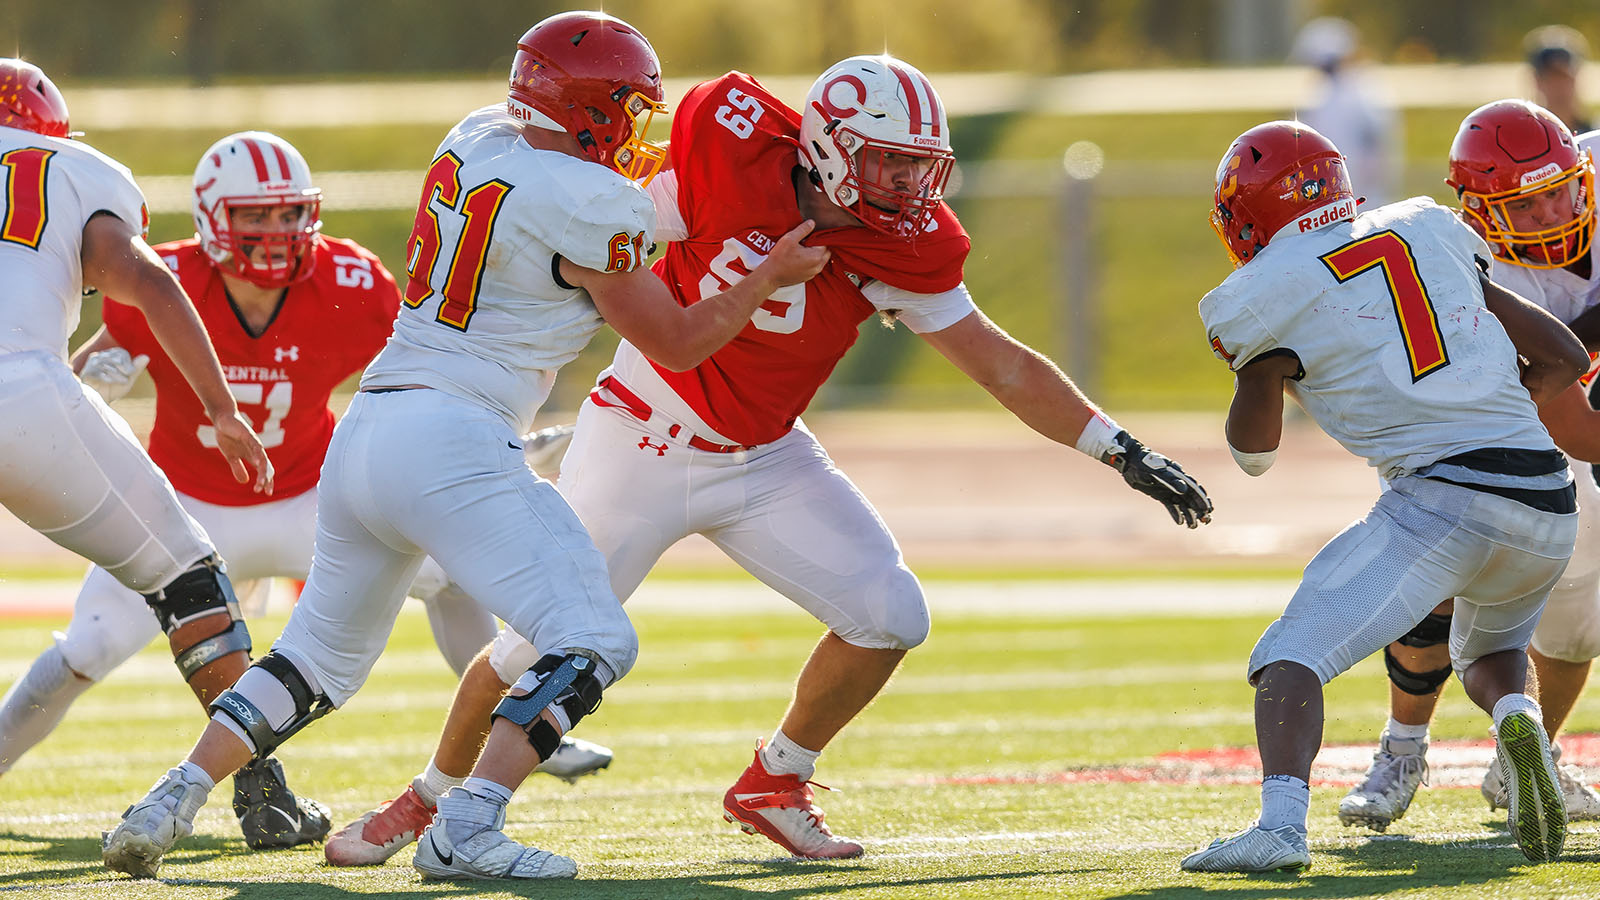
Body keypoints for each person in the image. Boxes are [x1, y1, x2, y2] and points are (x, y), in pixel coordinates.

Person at [328, 52, 1214, 867]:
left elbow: (1002, 362)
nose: (909, 184)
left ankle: (776, 778)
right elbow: (599, 238)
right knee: (536, 646)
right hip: (643, 432)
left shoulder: (903, 243)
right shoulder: (726, 155)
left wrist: (1116, 446)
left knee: (890, 612)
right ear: (827, 148)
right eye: (888, 162)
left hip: (763, 453)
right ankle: (429, 800)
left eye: (920, 165)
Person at [100, 11, 828, 882]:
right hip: (454, 434)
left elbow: (575, 220)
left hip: (370, 426)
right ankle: (468, 824)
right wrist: (767, 276)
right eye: (630, 108)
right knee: (594, 638)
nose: (640, 128)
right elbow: (676, 339)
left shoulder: (476, 135)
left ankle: (170, 797)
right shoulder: (591, 200)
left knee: (315, 657)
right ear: (594, 107)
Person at [0, 130, 611, 808]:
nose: (276, 232)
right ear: (210, 219)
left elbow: (432, 380)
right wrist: (97, 382)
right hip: (187, 508)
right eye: (254, 215)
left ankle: (517, 726)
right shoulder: (167, 279)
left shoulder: (347, 281)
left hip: (306, 503)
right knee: (84, 651)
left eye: (289, 213)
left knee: (452, 568)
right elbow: (74, 388)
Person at [1183, 120, 1587, 873]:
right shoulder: (1429, 226)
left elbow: (1256, 456)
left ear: (1247, 216)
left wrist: (1259, 373)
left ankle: (1278, 827)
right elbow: (1564, 355)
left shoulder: (1255, 295)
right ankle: (1519, 717)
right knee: (1494, 650)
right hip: (1545, 497)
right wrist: (1492, 407)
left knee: (1290, 653)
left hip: (1443, 494)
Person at [0, 52, 283, 839]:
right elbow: (150, 283)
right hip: (19, 389)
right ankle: (263, 789)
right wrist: (221, 408)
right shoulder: (73, 169)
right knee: (187, 576)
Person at [1340, 99, 1600, 832]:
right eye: (1532, 200)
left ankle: (1529, 762)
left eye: (1565, 186)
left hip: (1568, 398)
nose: (1559, 206)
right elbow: (1566, 419)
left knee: (1578, 614)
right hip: (1476, 425)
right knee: (1445, 575)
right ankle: (1401, 750)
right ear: (1483, 212)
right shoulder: (1466, 269)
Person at [1290, 16, 1402, 206]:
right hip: (1339, 197)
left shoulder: (1362, 92)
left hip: (1364, 198)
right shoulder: (1330, 93)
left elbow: (1377, 147)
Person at [1526, 26, 1594, 135]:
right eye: (1551, 77)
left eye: (1565, 76)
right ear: (1536, 80)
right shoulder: (1525, 135)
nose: (1559, 85)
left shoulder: (1595, 136)